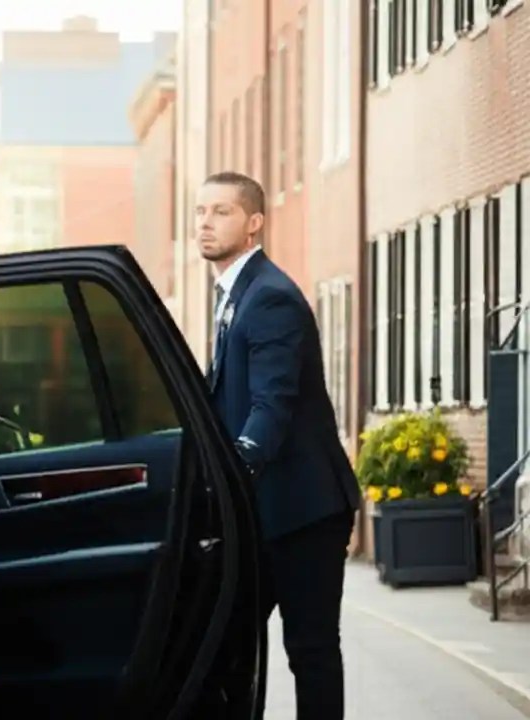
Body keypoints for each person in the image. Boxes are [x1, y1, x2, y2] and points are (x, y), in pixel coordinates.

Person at [195, 171, 361, 719]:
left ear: (254, 223)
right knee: (228, 644)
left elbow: (273, 404)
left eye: (221, 211)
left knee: (309, 650)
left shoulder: (269, 299)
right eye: (201, 211)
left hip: (304, 508)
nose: (205, 223)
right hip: (264, 511)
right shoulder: (236, 294)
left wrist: (232, 470)